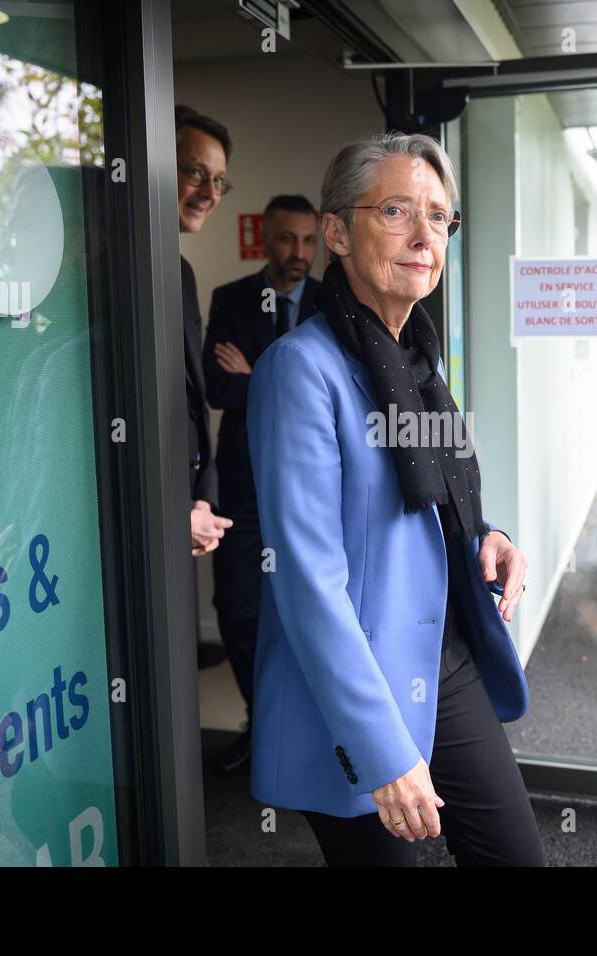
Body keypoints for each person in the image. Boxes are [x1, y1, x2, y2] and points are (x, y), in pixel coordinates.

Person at [246, 132, 545, 866]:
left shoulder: (416, 362)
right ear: (338, 232)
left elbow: (432, 504)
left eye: (439, 217)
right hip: (356, 678)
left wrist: (490, 535)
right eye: (397, 211)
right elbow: (309, 581)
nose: (424, 236)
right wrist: (382, 749)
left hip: (446, 656)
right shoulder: (301, 370)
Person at [203, 194, 323, 773]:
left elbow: (339, 400)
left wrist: (259, 374)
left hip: (316, 489)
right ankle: (265, 721)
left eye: (307, 241)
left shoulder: (334, 299)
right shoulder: (231, 299)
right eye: (286, 239)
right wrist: (281, 385)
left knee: (318, 607)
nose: (297, 253)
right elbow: (216, 389)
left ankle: (310, 731)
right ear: (265, 239)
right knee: (237, 606)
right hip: (243, 487)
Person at [176, 105, 234, 649]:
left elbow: (186, 402)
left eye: (219, 180)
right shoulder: (104, 266)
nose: (209, 192)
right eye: (195, 173)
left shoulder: (179, 271)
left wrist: (199, 499)